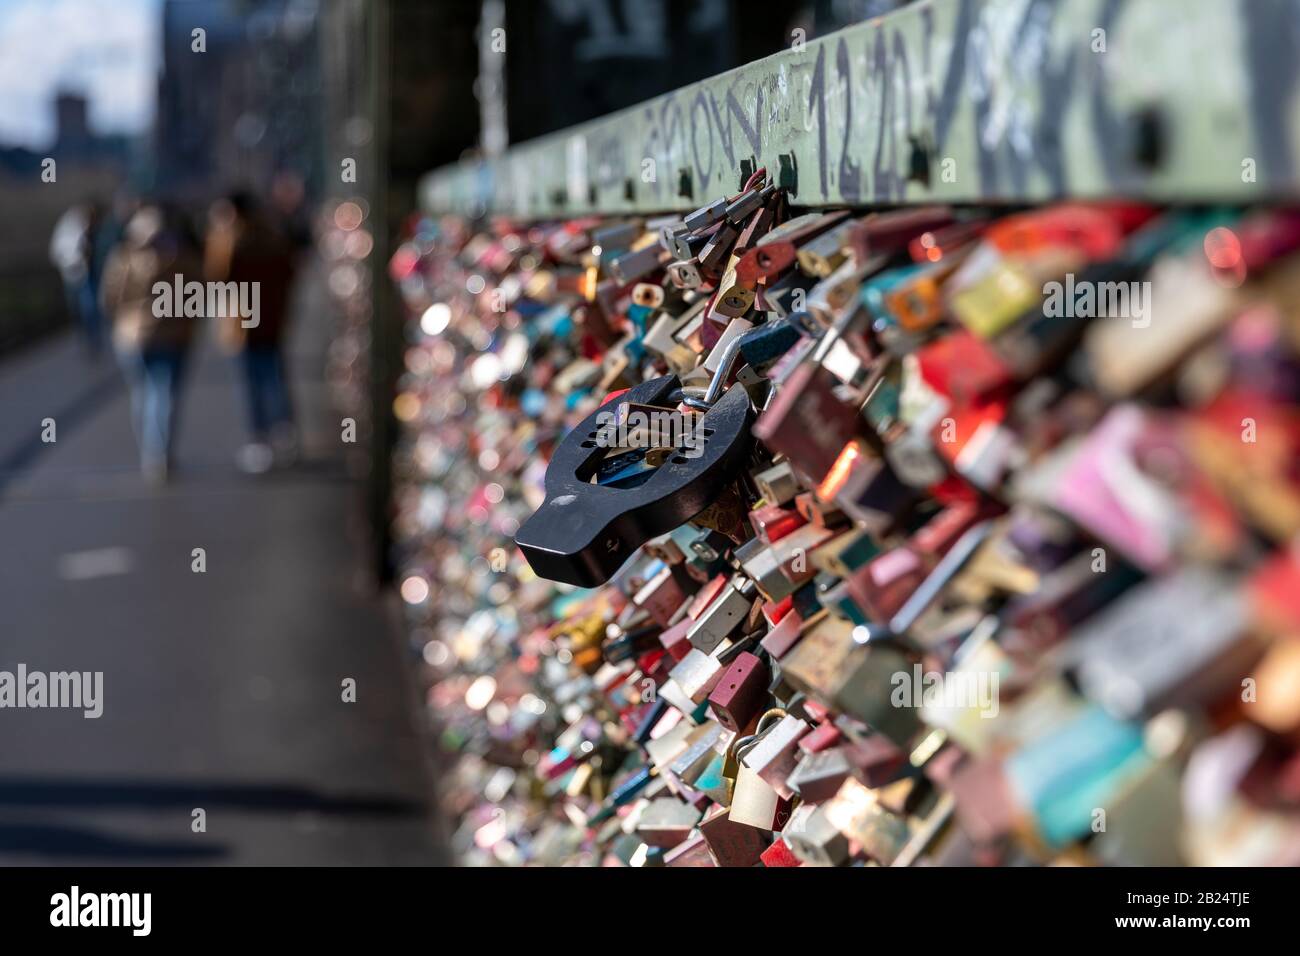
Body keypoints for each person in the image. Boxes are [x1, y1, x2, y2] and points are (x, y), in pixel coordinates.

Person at [100, 203, 202, 484]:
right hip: (173, 333)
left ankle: (150, 451)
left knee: (142, 393)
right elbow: (199, 290)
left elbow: (110, 298)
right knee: (165, 393)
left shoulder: (123, 258)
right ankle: (160, 452)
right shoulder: (182, 257)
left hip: (131, 336)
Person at [205, 191, 298, 473]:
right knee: (273, 379)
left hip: (242, 325)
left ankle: (260, 440)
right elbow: (289, 271)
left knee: (251, 386)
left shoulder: (231, 240)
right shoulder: (272, 236)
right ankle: (285, 432)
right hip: (271, 320)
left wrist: (221, 236)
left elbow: (216, 277)